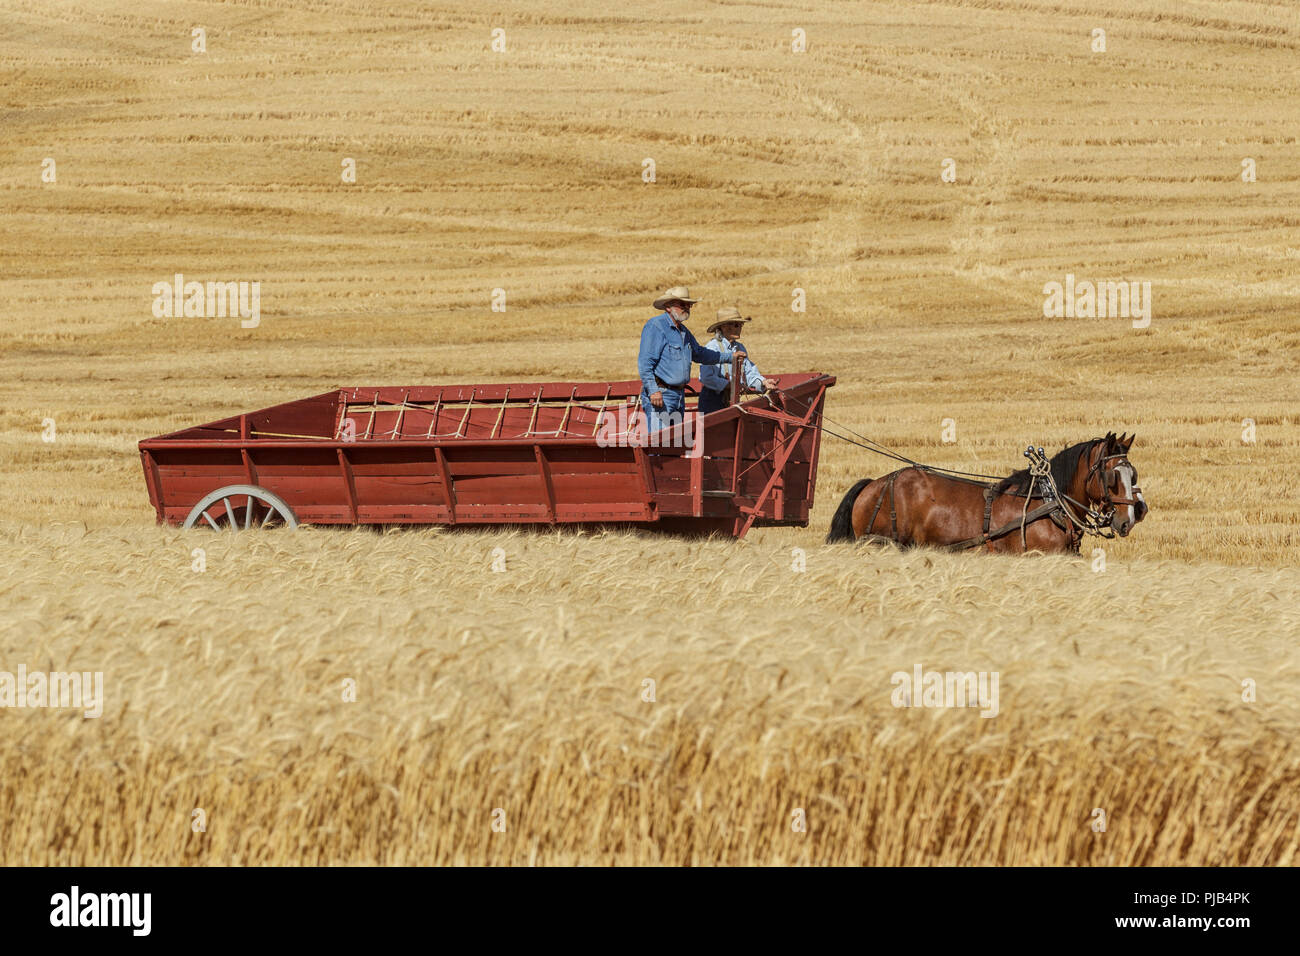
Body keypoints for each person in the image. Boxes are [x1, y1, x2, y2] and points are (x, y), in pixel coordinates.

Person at [637, 286, 743, 431]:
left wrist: (730, 357)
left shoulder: (683, 331)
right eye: (682, 304)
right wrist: (653, 390)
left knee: (674, 445)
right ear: (668, 306)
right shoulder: (655, 326)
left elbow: (700, 354)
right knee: (660, 443)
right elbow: (645, 363)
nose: (687, 308)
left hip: (678, 396)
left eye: (689, 305)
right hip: (662, 394)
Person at [698, 306, 777, 415]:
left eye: (741, 324)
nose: (740, 328)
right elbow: (706, 377)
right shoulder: (712, 348)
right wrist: (731, 385)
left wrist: (763, 382)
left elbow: (749, 373)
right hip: (712, 402)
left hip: (731, 400)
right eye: (736, 324)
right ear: (725, 327)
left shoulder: (740, 347)